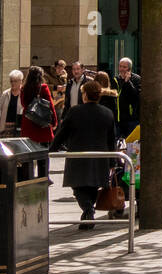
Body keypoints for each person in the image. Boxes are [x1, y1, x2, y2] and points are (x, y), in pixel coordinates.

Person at [50, 80, 118, 230]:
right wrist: (112, 161)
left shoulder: (75, 111)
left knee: (78, 186)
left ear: (85, 95)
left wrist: (51, 150)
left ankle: (88, 210)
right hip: (99, 157)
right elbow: (111, 139)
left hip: (78, 156)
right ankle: (88, 210)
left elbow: (62, 133)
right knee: (93, 186)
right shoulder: (107, 113)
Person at [0, 69, 25, 137]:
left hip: (19, 127)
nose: (13, 83)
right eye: (11, 81)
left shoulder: (25, 93)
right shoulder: (5, 94)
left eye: (15, 81)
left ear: (21, 81)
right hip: (5, 126)